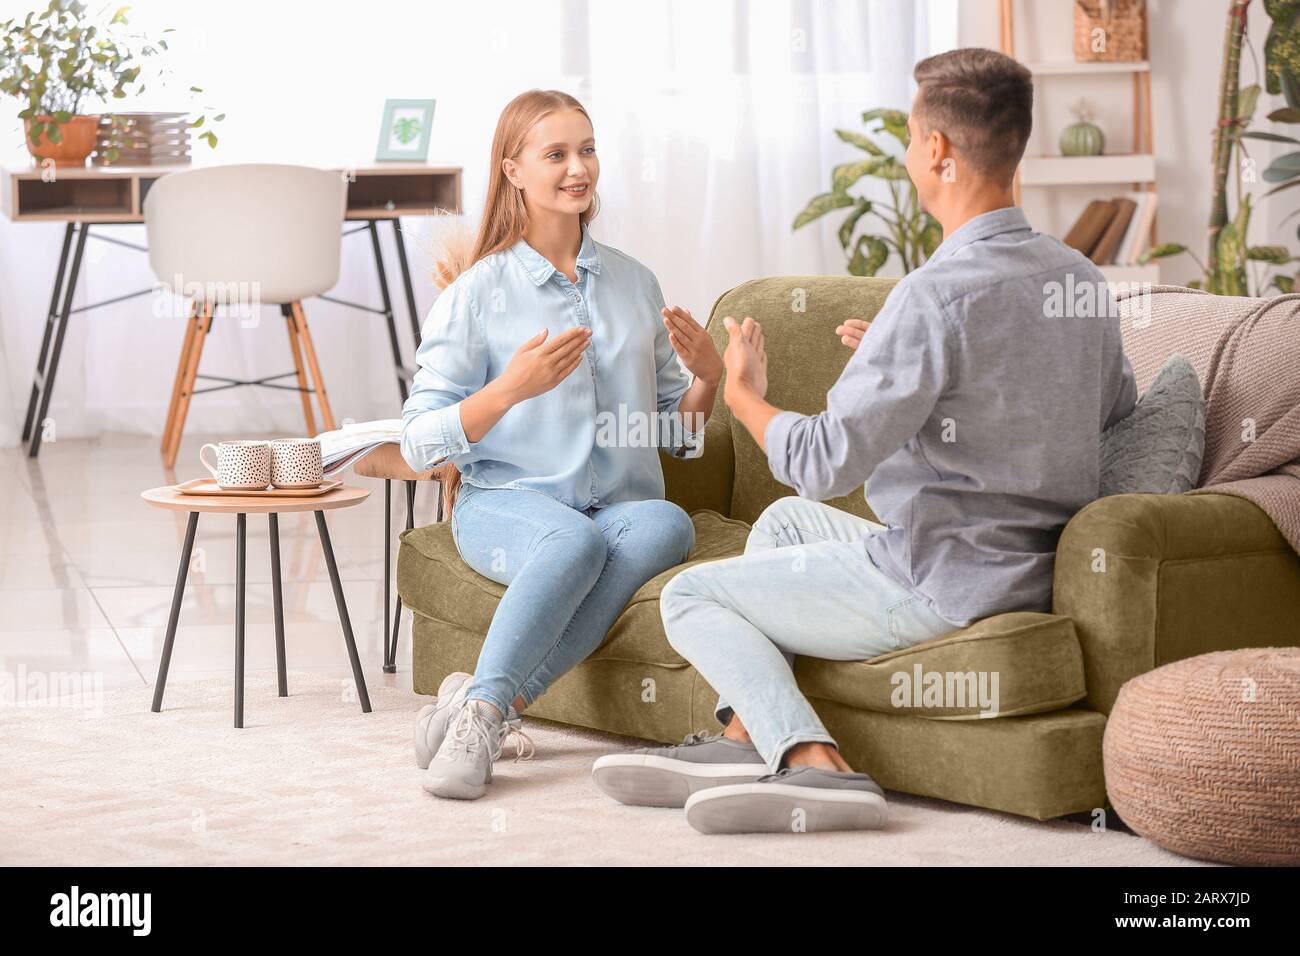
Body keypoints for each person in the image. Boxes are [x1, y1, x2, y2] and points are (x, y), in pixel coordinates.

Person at [592, 48, 1137, 834]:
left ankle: (815, 765)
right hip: (1033, 564)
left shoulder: (934, 296)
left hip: (943, 579)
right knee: (779, 526)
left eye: (915, 137)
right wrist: (926, 367)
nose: (912, 153)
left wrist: (743, 393)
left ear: (940, 151)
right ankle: (747, 733)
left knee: (690, 593)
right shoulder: (1080, 278)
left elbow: (818, 462)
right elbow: (1108, 411)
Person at [401, 90, 723, 801]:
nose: (579, 169)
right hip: (507, 503)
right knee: (571, 544)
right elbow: (420, 441)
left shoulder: (636, 283)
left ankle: (481, 704)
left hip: (618, 510)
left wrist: (709, 377)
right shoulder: (477, 293)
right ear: (513, 170)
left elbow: (676, 432)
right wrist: (509, 390)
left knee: (667, 522)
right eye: (557, 154)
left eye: (588, 149)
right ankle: (485, 717)